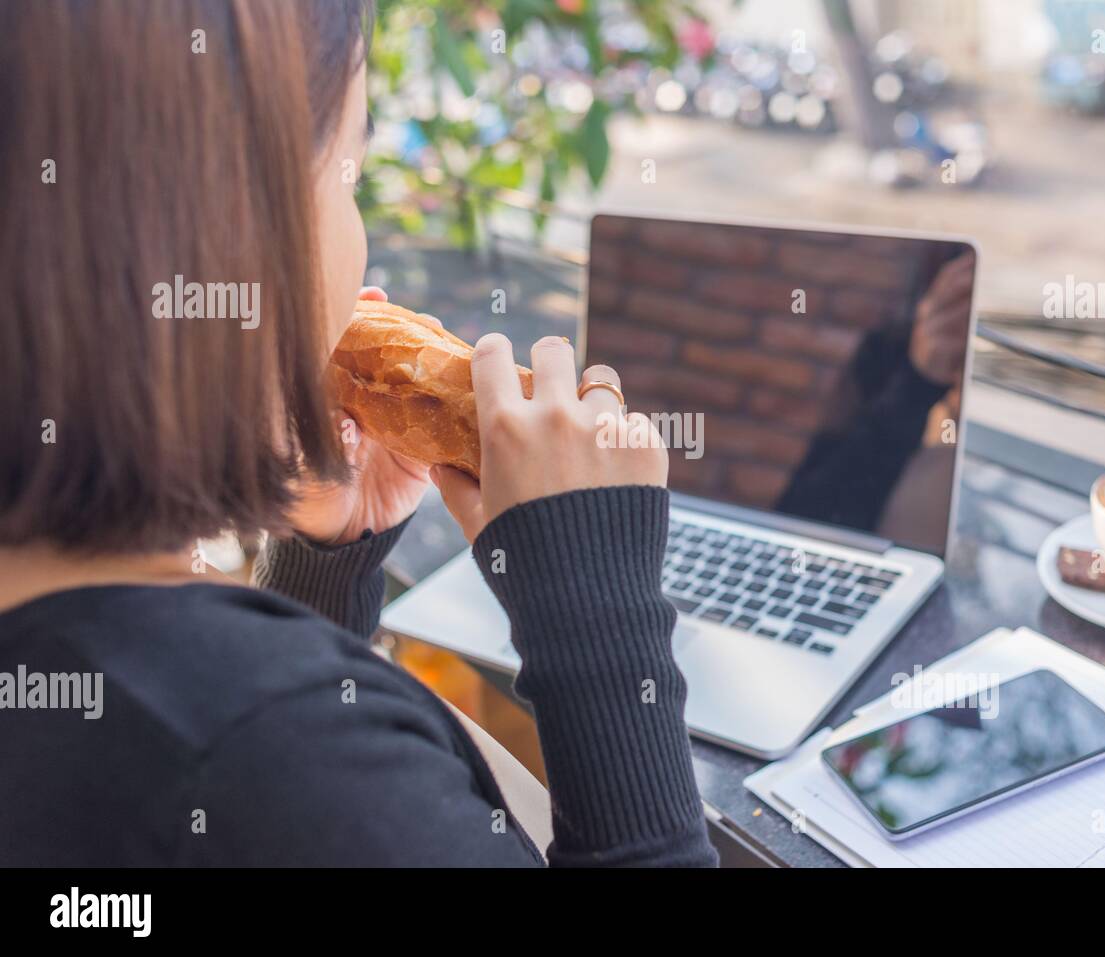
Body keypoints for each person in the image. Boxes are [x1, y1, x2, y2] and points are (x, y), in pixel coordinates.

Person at [0, 0, 717, 867]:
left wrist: (319, 568)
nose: (361, 241)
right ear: (232, 236)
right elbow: (262, 771)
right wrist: (601, 617)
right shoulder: (281, 753)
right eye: (350, 179)